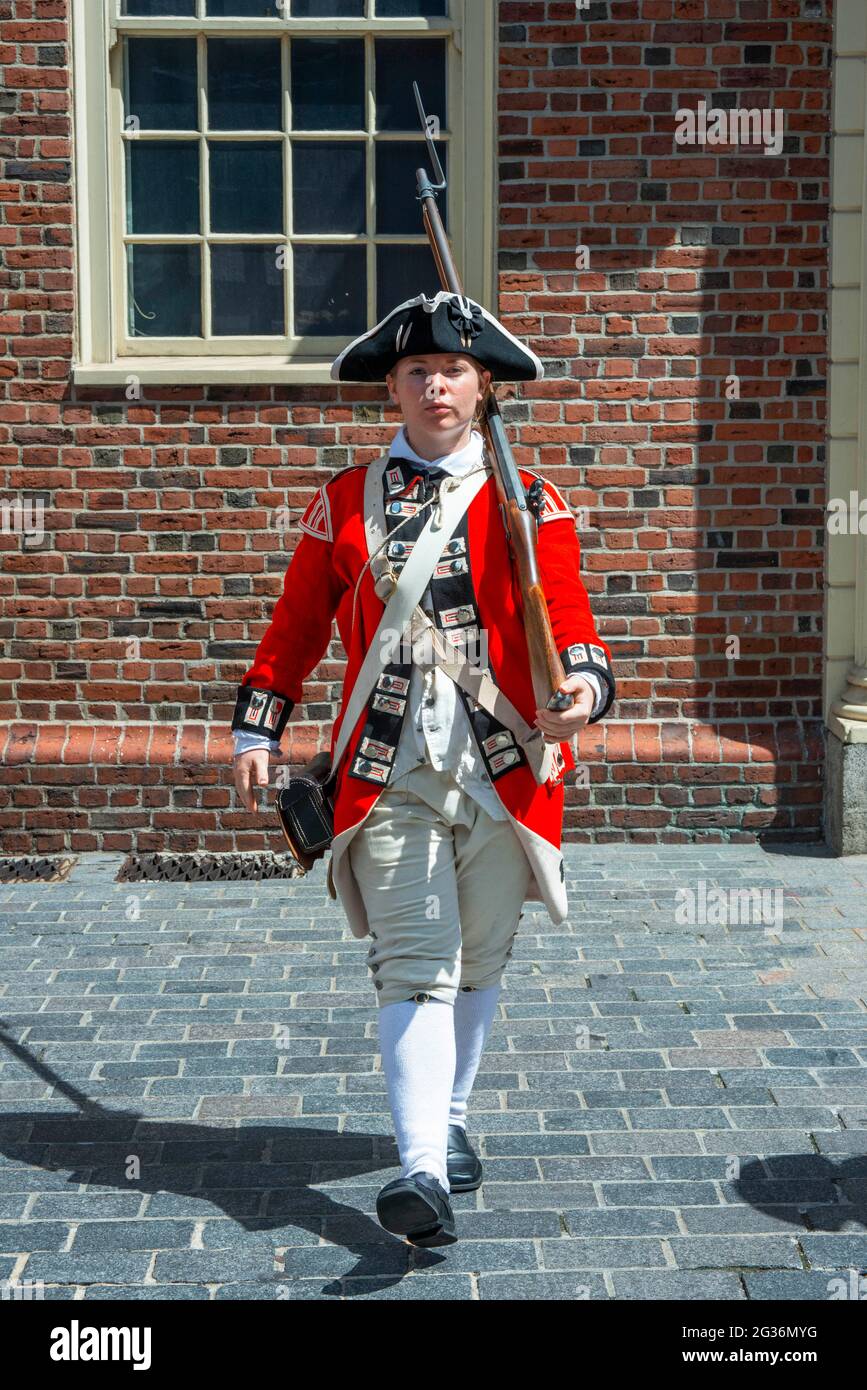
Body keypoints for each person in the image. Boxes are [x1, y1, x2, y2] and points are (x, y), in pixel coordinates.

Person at [231, 289, 615, 1250]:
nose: (434, 385)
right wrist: (256, 733)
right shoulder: (343, 501)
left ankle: (446, 1115)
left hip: (503, 765)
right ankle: (420, 1173)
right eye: (415, 372)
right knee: (413, 967)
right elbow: (294, 630)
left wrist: (584, 690)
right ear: (391, 390)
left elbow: (568, 623)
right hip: (381, 769)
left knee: (479, 960)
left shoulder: (530, 497)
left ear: (484, 385)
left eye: (452, 369)